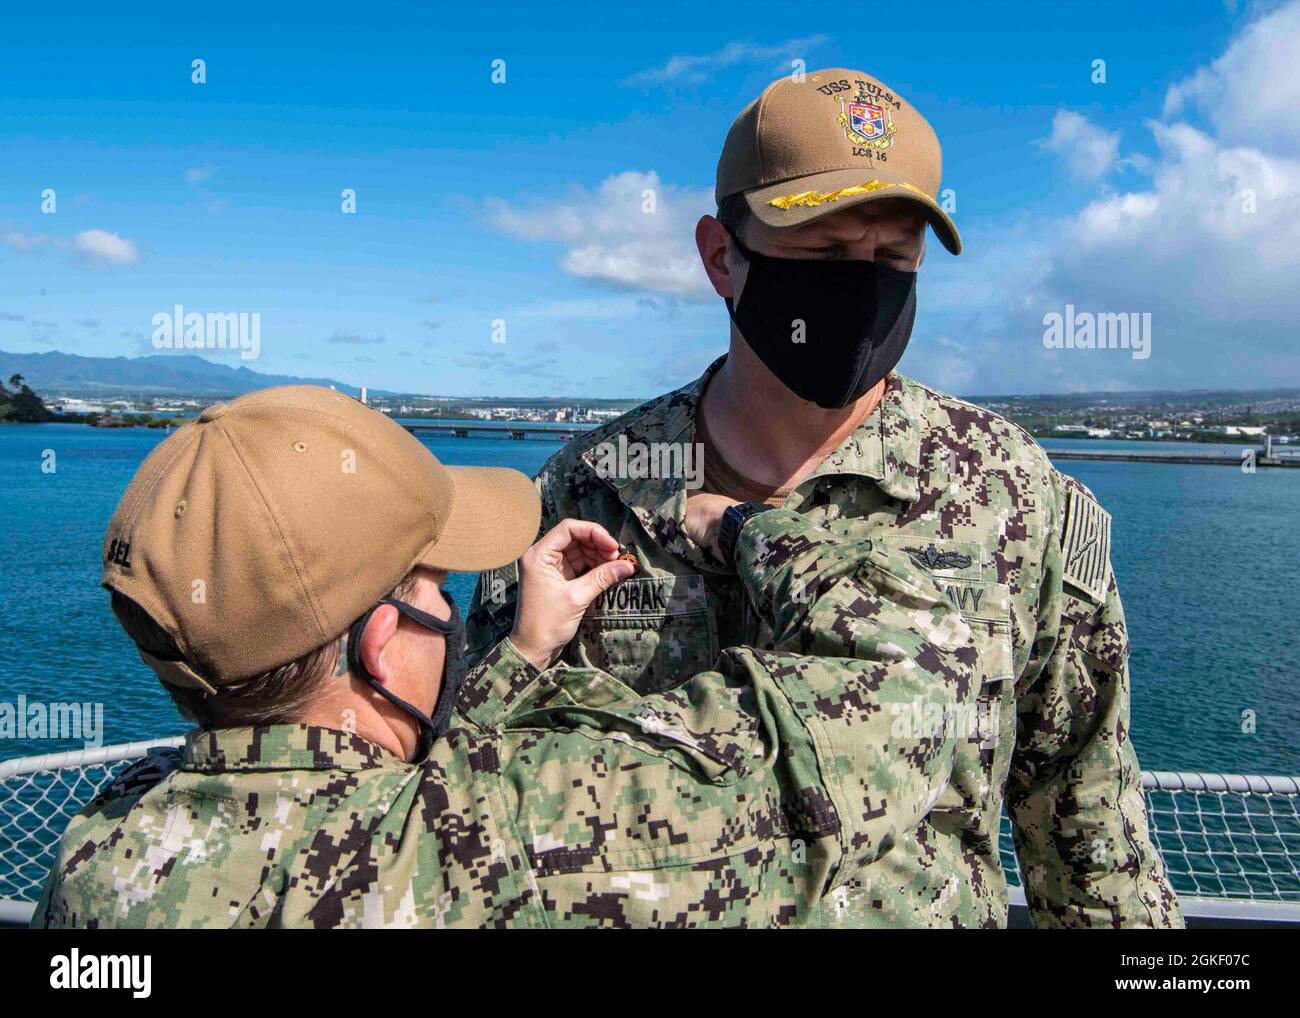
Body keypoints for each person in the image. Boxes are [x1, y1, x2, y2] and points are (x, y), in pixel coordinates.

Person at [466, 67, 1183, 928]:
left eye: (891, 260)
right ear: (721, 256)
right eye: (824, 255)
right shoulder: (588, 490)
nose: (860, 290)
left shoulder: (1009, 494)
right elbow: (483, 784)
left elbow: (1087, 822)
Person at [33, 384, 979, 928]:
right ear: (378, 640)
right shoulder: (523, 845)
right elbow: (904, 685)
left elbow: (366, 803)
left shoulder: (103, 857)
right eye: (435, 590)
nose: (451, 611)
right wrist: (742, 529)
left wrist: (525, 650)